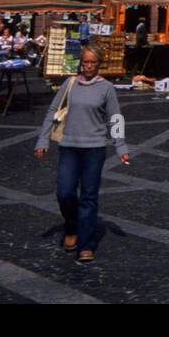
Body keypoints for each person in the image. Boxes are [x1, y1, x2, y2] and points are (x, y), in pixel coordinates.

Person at [34, 46, 130, 264]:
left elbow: (115, 118)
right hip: (69, 146)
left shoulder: (106, 88)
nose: (88, 66)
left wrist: (121, 146)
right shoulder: (70, 84)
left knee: (88, 196)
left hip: (94, 148)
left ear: (99, 64)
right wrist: (43, 139)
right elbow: (52, 111)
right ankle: (71, 226)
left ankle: (85, 245)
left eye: (92, 63)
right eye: (85, 62)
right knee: (64, 192)